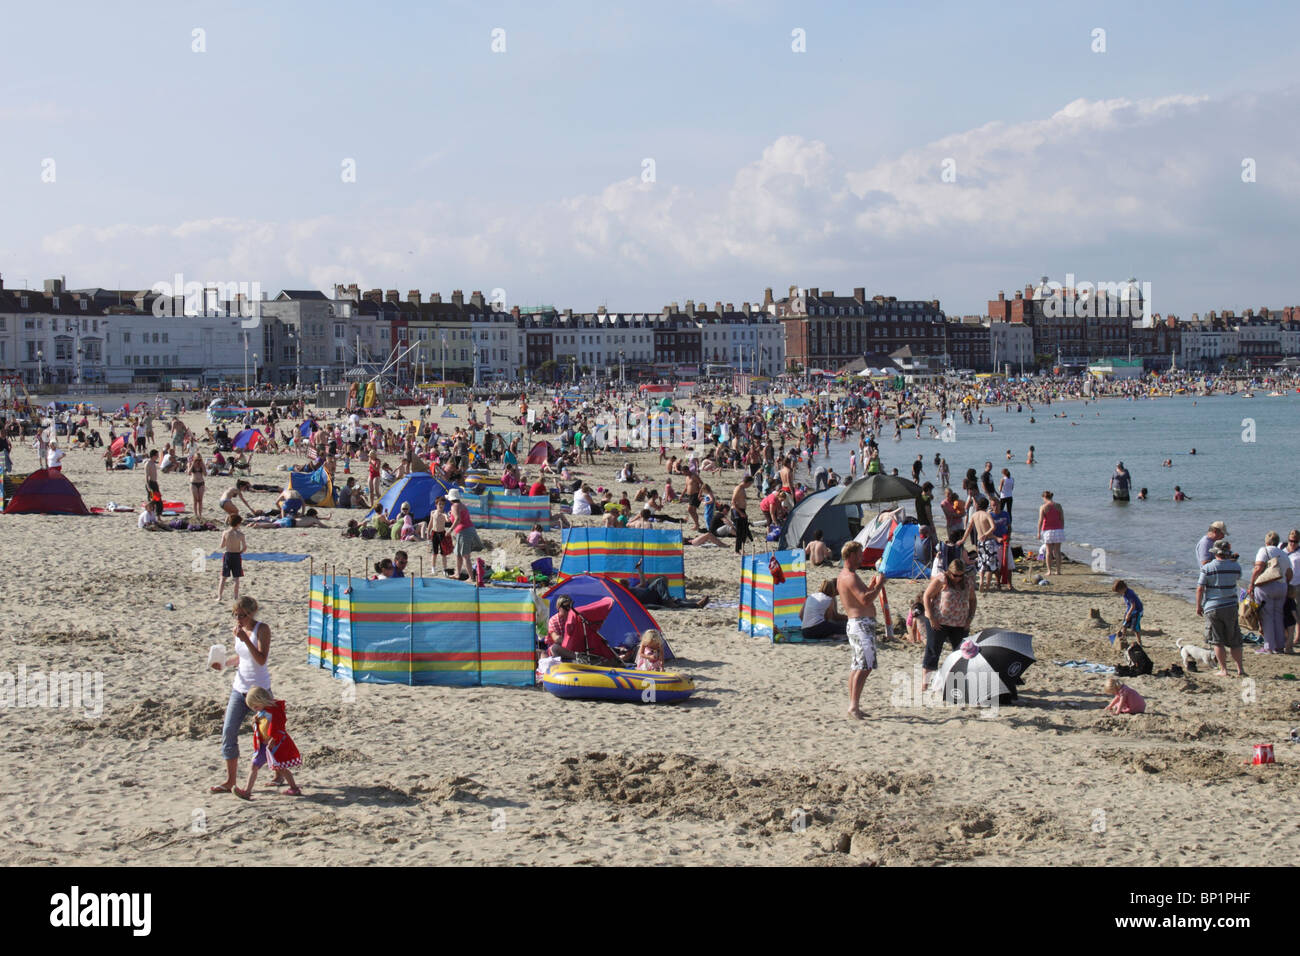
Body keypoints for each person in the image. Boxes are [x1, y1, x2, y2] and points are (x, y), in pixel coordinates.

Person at [211, 597, 288, 794]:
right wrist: (224, 663)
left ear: (251, 613)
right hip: (239, 688)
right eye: (235, 615)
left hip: (260, 691)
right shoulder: (238, 631)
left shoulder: (262, 629)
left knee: (269, 735)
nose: (238, 619)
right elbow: (242, 657)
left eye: (242, 615)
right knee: (228, 731)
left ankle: (279, 775)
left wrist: (245, 639)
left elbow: (261, 659)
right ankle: (230, 781)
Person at [838, 541, 886, 719]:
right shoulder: (849, 576)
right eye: (859, 555)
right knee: (864, 666)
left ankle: (854, 704)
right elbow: (865, 600)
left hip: (858, 623)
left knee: (858, 665)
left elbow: (863, 595)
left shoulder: (847, 575)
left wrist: (873, 585)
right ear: (851, 556)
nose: (862, 558)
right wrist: (879, 585)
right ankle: (853, 706)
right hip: (860, 624)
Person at [233, 686, 302, 799]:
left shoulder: (275, 711)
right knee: (254, 766)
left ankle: (294, 788)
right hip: (264, 747)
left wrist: (274, 738)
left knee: (281, 768)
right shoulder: (262, 712)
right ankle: (247, 791)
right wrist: (255, 722)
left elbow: (279, 727)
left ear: (261, 700)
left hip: (275, 746)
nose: (256, 709)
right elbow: (262, 726)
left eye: (256, 706)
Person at [921, 559, 977, 691]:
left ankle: (957, 683)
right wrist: (931, 617)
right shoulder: (942, 579)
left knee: (962, 652)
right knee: (933, 651)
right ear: (949, 572)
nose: (958, 578)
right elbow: (927, 596)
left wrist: (970, 618)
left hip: (960, 623)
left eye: (961, 575)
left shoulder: (967, 581)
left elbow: (973, 600)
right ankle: (924, 684)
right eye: (955, 575)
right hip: (939, 622)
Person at [1196, 539, 1245, 677]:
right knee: (1235, 640)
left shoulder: (1207, 568)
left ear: (1215, 553)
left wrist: (1198, 606)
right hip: (1231, 605)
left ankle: (1224, 669)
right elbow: (1237, 578)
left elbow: (1200, 588)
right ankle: (1240, 669)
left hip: (1213, 606)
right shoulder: (1236, 567)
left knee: (1218, 641)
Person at [1250, 531, 1293, 654]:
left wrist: (1252, 584)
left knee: (1266, 616)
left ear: (1267, 541)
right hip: (1282, 587)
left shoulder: (1264, 550)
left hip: (1266, 586)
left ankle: (1269, 646)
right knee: (1278, 616)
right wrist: (1285, 584)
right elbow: (1289, 573)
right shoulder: (1284, 554)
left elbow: (1258, 568)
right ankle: (1280, 645)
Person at [448, 489, 482, 580]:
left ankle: (471, 577)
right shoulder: (461, 505)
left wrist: (450, 529)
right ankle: (457, 574)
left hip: (464, 531)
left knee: (465, 555)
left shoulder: (454, 506)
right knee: (458, 554)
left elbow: (458, 519)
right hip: (467, 529)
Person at [218, 514, 247, 602]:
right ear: (238, 523)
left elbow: (222, 546)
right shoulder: (241, 534)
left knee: (223, 577)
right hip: (236, 555)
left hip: (228, 555)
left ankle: (220, 596)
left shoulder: (226, 533)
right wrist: (240, 552)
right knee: (236, 578)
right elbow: (245, 547)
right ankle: (235, 596)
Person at [1037, 491, 1064, 578]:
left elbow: (1040, 520)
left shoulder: (1043, 507)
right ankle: (1058, 570)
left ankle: (1049, 571)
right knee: (1057, 551)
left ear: (1044, 498)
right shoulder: (1058, 505)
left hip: (1048, 530)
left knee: (1048, 551)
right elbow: (1062, 518)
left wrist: (1038, 532)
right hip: (1058, 530)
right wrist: (1061, 528)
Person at [429, 496, 451, 576]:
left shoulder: (444, 514)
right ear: (436, 504)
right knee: (434, 553)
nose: (441, 506)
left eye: (443, 504)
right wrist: (428, 532)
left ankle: (445, 569)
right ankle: (433, 568)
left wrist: (448, 515)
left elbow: (448, 520)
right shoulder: (432, 512)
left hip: (442, 534)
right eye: (439, 504)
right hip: (434, 533)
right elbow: (431, 523)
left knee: (443, 553)